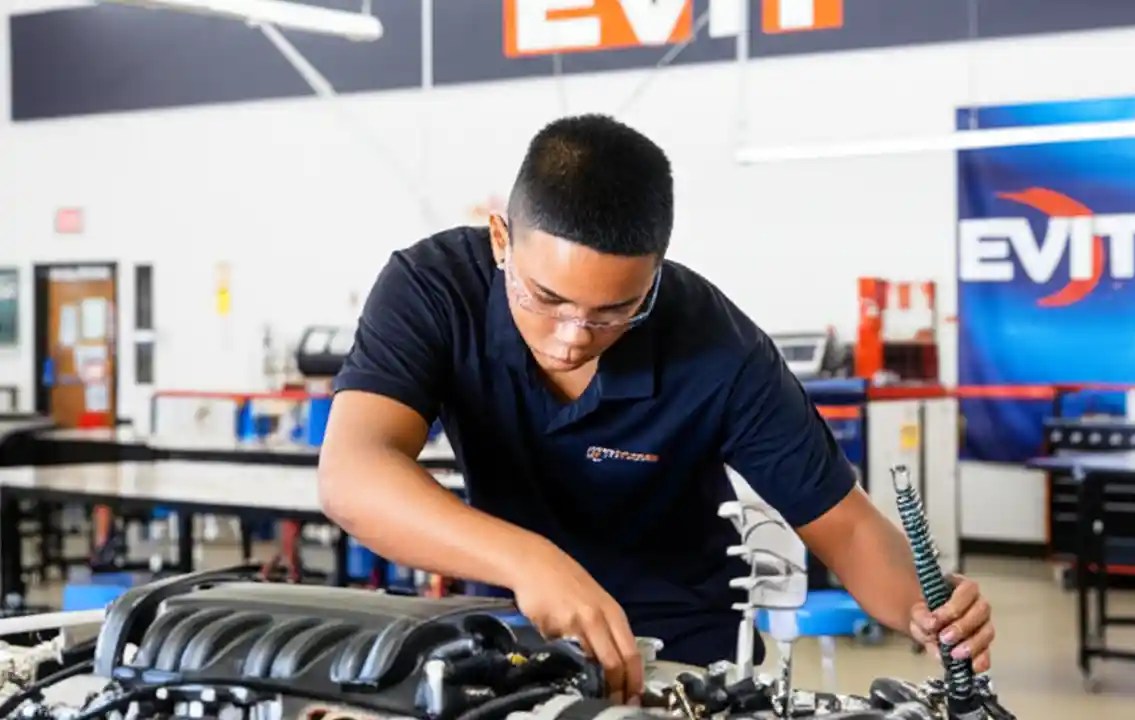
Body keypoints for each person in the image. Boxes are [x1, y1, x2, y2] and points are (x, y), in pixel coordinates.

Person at [317, 114, 995, 705]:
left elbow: (843, 525)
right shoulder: (434, 289)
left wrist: (923, 606)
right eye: (546, 298)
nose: (574, 335)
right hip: (515, 620)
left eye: (615, 310)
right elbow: (354, 473)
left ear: (657, 271)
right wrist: (533, 563)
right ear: (501, 239)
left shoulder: (718, 349)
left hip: (684, 652)